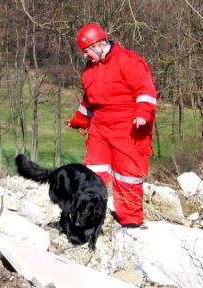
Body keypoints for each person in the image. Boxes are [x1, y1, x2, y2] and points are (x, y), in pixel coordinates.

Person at [66, 23, 157, 228]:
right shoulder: (88, 71)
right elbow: (89, 101)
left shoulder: (128, 61)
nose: (85, 55)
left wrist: (143, 113)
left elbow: (145, 90)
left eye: (87, 50)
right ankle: (88, 216)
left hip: (128, 125)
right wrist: (78, 120)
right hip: (100, 125)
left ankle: (130, 221)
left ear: (99, 44)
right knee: (93, 171)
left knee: (127, 174)